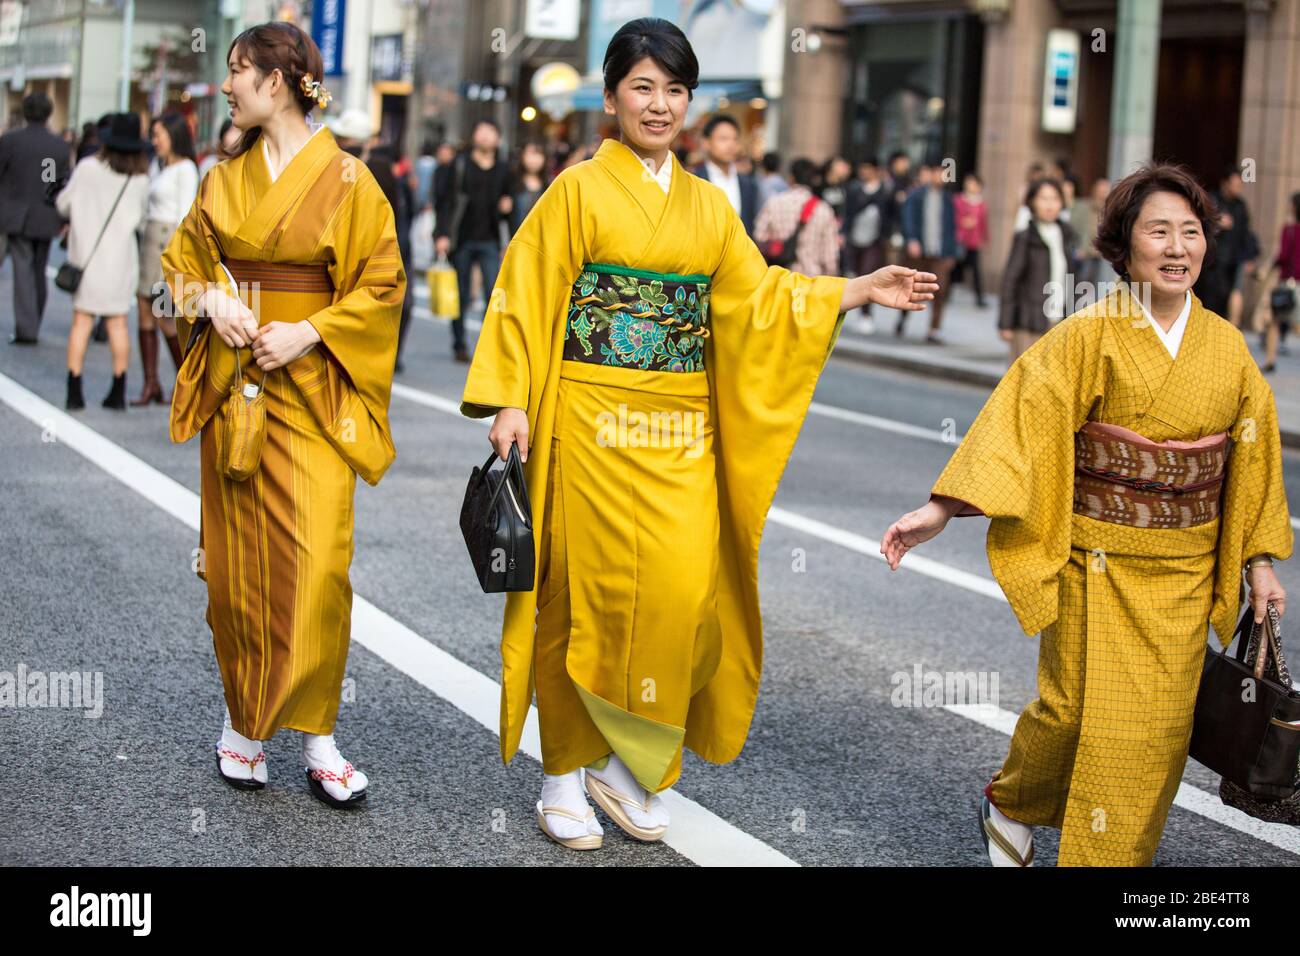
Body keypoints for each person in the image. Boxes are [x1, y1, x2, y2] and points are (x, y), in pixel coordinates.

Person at [459, 16, 936, 852]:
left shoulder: (710, 208)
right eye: (642, 86)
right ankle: (562, 772)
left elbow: (759, 301)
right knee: (580, 597)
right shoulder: (576, 192)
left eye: (675, 89)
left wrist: (856, 289)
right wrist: (512, 400)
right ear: (609, 97)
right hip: (590, 416)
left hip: (678, 428)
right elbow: (526, 292)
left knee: (680, 595)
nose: (660, 103)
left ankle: (626, 764)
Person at [881, 162, 1293, 867]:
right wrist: (942, 507)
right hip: (1092, 562)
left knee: (1153, 736)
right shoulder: (1087, 334)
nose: (1176, 247)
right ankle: (1013, 799)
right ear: (1124, 245)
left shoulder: (1226, 348)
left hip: (1183, 573)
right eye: (1157, 230)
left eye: (1190, 232)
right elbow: (1022, 420)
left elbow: (1250, 463)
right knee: (1070, 713)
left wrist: (1257, 562)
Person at [162, 21, 404, 806]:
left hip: (313, 389)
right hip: (238, 389)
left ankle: (320, 733)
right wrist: (213, 300)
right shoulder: (220, 180)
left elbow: (382, 285)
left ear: (279, 80)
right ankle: (243, 723)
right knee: (234, 567)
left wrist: (313, 329)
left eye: (237, 71)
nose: (227, 85)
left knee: (319, 566)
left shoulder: (349, 180)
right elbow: (174, 273)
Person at [56, 113, 150, 409]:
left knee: (81, 323)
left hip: (87, 260)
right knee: (118, 325)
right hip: (121, 263)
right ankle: (118, 391)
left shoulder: (87, 169)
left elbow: (63, 204)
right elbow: (142, 221)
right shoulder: (139, 180)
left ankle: (74, 390)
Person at [133, 112, 199, 405]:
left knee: (164, 316)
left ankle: (186, 381)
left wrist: (176, 258)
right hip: (149, 241)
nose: (154, 140)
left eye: (159, 134)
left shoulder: (185, 168)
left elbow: (185, 214)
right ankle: (151, 384)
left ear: (174, 136)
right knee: (145, 310)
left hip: (167, 243)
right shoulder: (159, 166)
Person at [435, 119, 512, 363]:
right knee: (461, 294)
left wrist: (506, 214)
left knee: (493, 293)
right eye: (482, 131)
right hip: (462, 238)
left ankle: (487, 345)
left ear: (498, 139)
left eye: (491, 132)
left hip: (490, 239)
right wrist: (442, 234)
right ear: (474, 135)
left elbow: (509, 203)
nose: (486, 136)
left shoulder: (504, 168)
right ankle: (459, 343)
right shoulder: (459, 164)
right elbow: (445, 201)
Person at [0, 92, 71, 345]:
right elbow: (58, 184)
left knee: (23, 271)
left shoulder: (10, 141)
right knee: (39, 271)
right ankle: (34, 320)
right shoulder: (58, 146)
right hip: (46, 214)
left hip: (16, 214)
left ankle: (26, 329)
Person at [997, 178, 1078, 363]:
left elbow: (1072, 278)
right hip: (1028, 322)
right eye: (1043, 198)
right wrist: (1006, 323)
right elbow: (1010, 279)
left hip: (1059, 321)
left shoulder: (1066, 235)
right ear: (1032, 202)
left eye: (1055, 198)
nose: (1050, 204)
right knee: (1025, 385)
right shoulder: (1025, 237)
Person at [899, 161, 957, 343]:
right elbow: (908, 219)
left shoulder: (948, 199)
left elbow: (952, 228)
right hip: (919, 250)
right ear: (931, 173)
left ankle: (934, 329)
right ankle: (903, 316)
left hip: (940, 252)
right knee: (910, 287)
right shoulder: (916, 196)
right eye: (939, 172)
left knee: (940, 289)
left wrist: (952, 253)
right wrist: (911, 239)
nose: (942, 177)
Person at [753, 157, 840, 278]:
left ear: (791, 178)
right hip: (812, 280)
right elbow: (829, 258)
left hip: (779, 278)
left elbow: (759, 236)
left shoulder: (774, 203)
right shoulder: (823, 210)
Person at [1254, 190, 1300, 373]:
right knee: (1289, 322)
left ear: (1294, 207)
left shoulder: (1289, 230)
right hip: (1297, 283)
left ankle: (1271, 359)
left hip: (1287, 283)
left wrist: (1266, 271)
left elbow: (1282, 256)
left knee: (1275, 320)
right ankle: (1271, 359)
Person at [690, 114, 758, 235]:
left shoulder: (748, 183)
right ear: (706, 143)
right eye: (723, 139)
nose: (731, 145)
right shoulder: (693, 181)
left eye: (735, 139)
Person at [952, 171, 989, 308]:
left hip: (974, 242)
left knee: (976, 270)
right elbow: (952, 218)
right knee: (954, 268)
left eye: (974, 183)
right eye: (969, 183)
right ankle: (944, 295)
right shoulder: (958, 200)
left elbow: (984, 223)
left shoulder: (981, 204)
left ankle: (979, 298)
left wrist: (984, 239)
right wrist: (962, 223)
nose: (971, 186)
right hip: (960, 240)